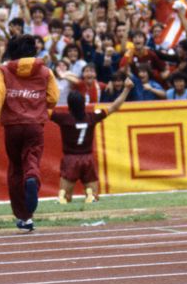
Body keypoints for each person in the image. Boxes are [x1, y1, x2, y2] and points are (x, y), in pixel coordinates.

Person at [0, 34, 59, 231]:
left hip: (12, 126)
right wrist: (43, 111)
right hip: (35, 125)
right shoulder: (45, 72)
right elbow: (53, 97)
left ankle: (24, 217)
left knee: (16, 168)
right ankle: (32, 178)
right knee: (31, 160)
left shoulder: (2, 70)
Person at [51, 77, 133, 205]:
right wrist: (127, 89)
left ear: (69, 105)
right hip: (87, 159)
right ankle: (90, 195)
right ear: (84, 103)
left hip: (70, 159)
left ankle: (63, 196)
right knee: (94, 196)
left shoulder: (63, 118)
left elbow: (42, 111)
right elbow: (114, 107)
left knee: (65, 198)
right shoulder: (92, 117)